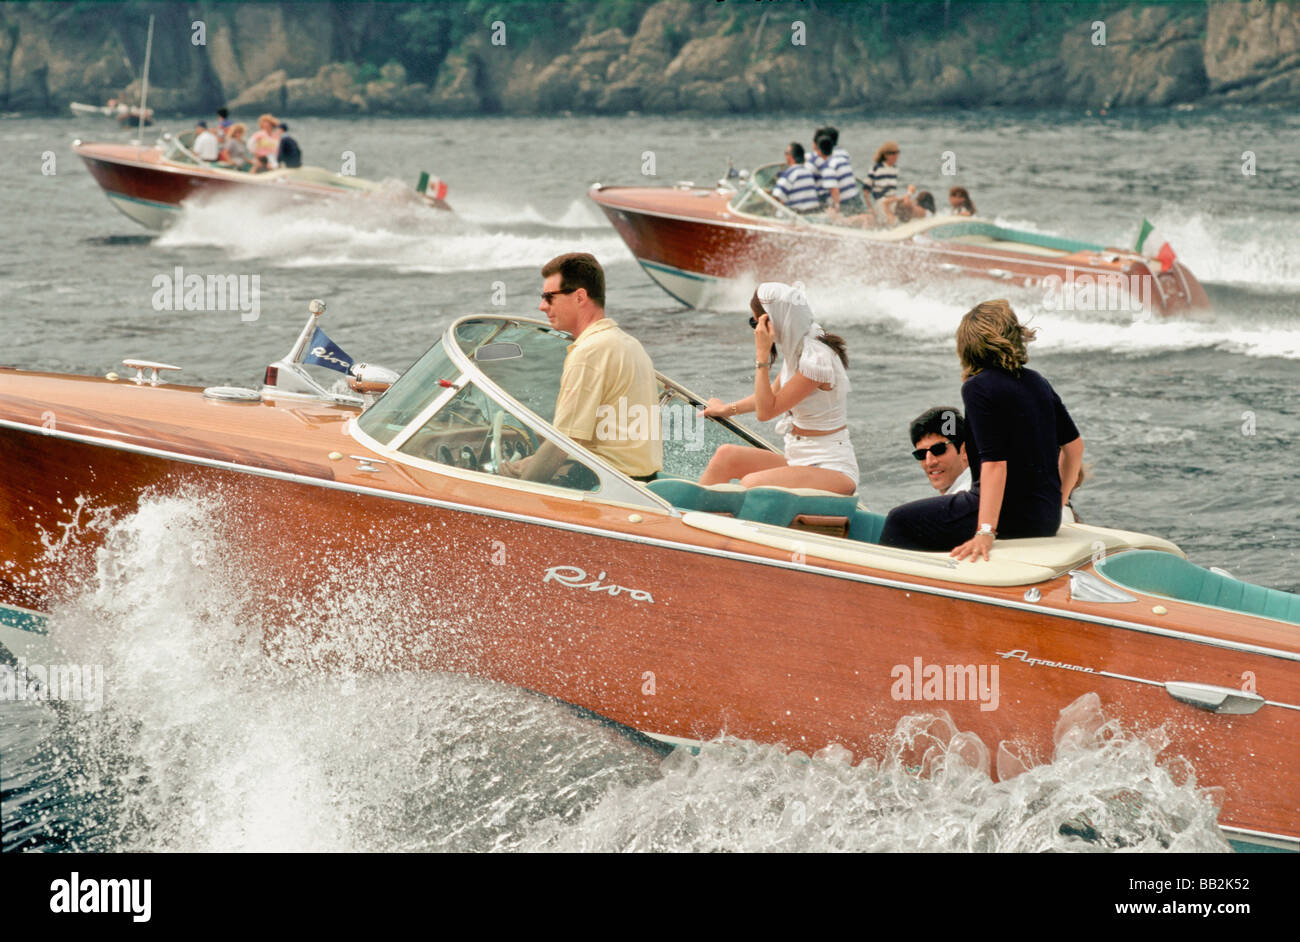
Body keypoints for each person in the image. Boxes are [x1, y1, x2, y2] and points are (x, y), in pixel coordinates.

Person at [879, 299, 1084, 559]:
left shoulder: (978, 387)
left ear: (968, 346)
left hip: (1007, 517)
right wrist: (1057, 504)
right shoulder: (1037, 381)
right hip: (1044, 518)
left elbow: (995, 464)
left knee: (899, 520)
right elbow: (1075, 448)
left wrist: (986, 531)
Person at [500, 253, 662, 484]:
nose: (542, 306)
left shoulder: (589, 352)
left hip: (602, 484)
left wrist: (520, 487)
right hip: (637, 480)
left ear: (579, 297)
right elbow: (599, 435)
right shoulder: (629, 344)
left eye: (549, 297)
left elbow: (563, 443)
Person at [698, 282, 858, 495]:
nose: (756, 330)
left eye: (755, 322)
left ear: (772, 321)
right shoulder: (799, 346)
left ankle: (715, 514)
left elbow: (766, 412)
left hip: (831, 467)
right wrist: (727, 409)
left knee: (751, 484)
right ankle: (689, 513)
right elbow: (772, 395)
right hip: (799, 458)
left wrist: (762, 354)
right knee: (726, 456)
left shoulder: (816, 359)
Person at [909, 406, 971, 495]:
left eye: (938, 450)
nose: (929, 462)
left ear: (965, 450)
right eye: (921, 454)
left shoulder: (968, 497)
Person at [814, 134, 868, 217]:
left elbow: (834, 189)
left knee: (844, 220)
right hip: (855, 196)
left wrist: (836, 207)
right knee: (861, 217)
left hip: (845, 202)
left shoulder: (828, 166)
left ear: (819, 151)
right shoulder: (842, 160)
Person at [771, 142, 821, 214]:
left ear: (790, 156)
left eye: (786, 153)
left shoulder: (789, 174)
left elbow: (775, 198)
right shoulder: (808, 173)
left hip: (798, 215)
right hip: (812, 212)